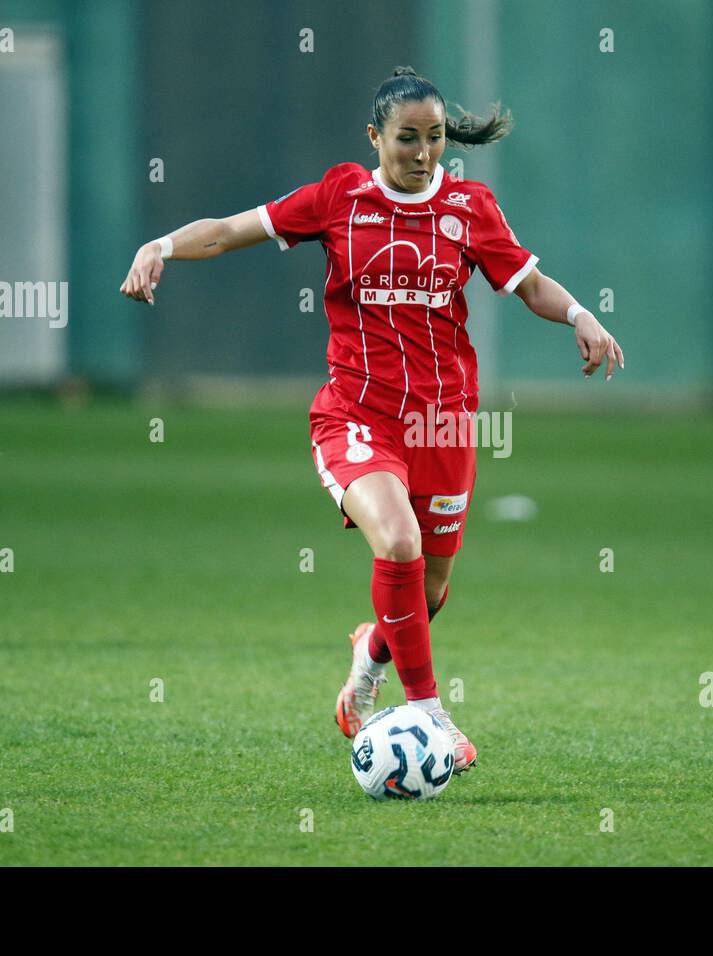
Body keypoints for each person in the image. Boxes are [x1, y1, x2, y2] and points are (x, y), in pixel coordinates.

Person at [120, 66, 623, 775]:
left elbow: (528, 283)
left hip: (444, 424)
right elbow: (235, 229)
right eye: (407, 139)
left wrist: (580, 315)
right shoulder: (339, 197)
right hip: (359, 414)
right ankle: (427, 712)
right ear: (374, 137)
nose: (423, 154)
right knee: (397, 539)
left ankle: (370, 655)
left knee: (432, 587)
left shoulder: (470, 207)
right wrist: (161, 246)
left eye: (436, 138)